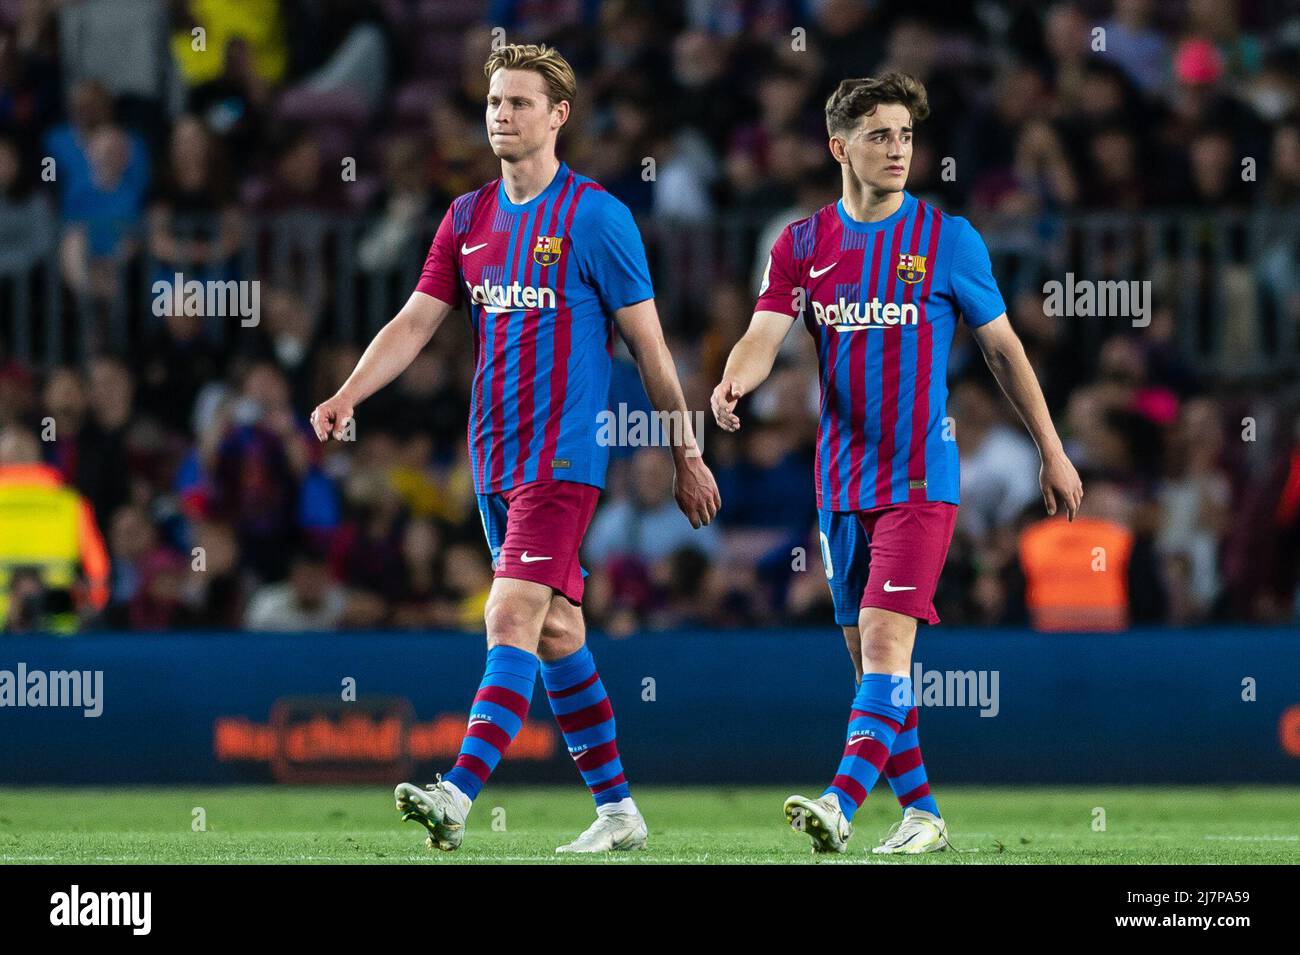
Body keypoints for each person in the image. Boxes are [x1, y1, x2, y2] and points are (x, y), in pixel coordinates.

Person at [311, 43, 719, 854]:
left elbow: (650, 347)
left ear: (559, 115)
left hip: (563, 461)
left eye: (520, 102)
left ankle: (456, 795)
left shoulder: (597, 217)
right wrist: (349, 391)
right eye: (494, 101)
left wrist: (685, 452)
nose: (501, 114)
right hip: (493, 460)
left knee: (508, 613)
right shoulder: (466, 219)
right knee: (559, 631)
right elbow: (416, 322)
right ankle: (618, 812)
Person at [711, 72, 1082, 855]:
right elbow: (763, 331)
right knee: (872, 669)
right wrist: (736, 377)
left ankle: (840, 803)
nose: (898, 149)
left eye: (906, 135)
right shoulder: (802, 244)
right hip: (840, 486)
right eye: (880, 134)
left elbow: (1004, 351)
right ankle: (923, 812)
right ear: (838, 145)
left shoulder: (948, 240)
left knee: (885, 646)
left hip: (920, 481)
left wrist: (1053, 449)